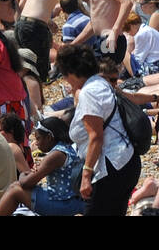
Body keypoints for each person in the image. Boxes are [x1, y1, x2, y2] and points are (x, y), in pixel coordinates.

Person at [59, 45, 142, 216]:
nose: (67, 81)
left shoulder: (89, 93)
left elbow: (96, 137)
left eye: (65, 76)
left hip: (110, 168)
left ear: (72, 73)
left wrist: (86, 175)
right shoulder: (102, 83)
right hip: (126, 160)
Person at [0, 116, 86, 216]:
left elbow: (26, 183)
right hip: (70, 200)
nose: (36, 143)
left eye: (38, 139)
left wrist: (23, 174)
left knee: (15, 190)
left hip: (64, 204)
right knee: (16, 187)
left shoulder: (56, 155)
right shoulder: (65, 148)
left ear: (49, 137)